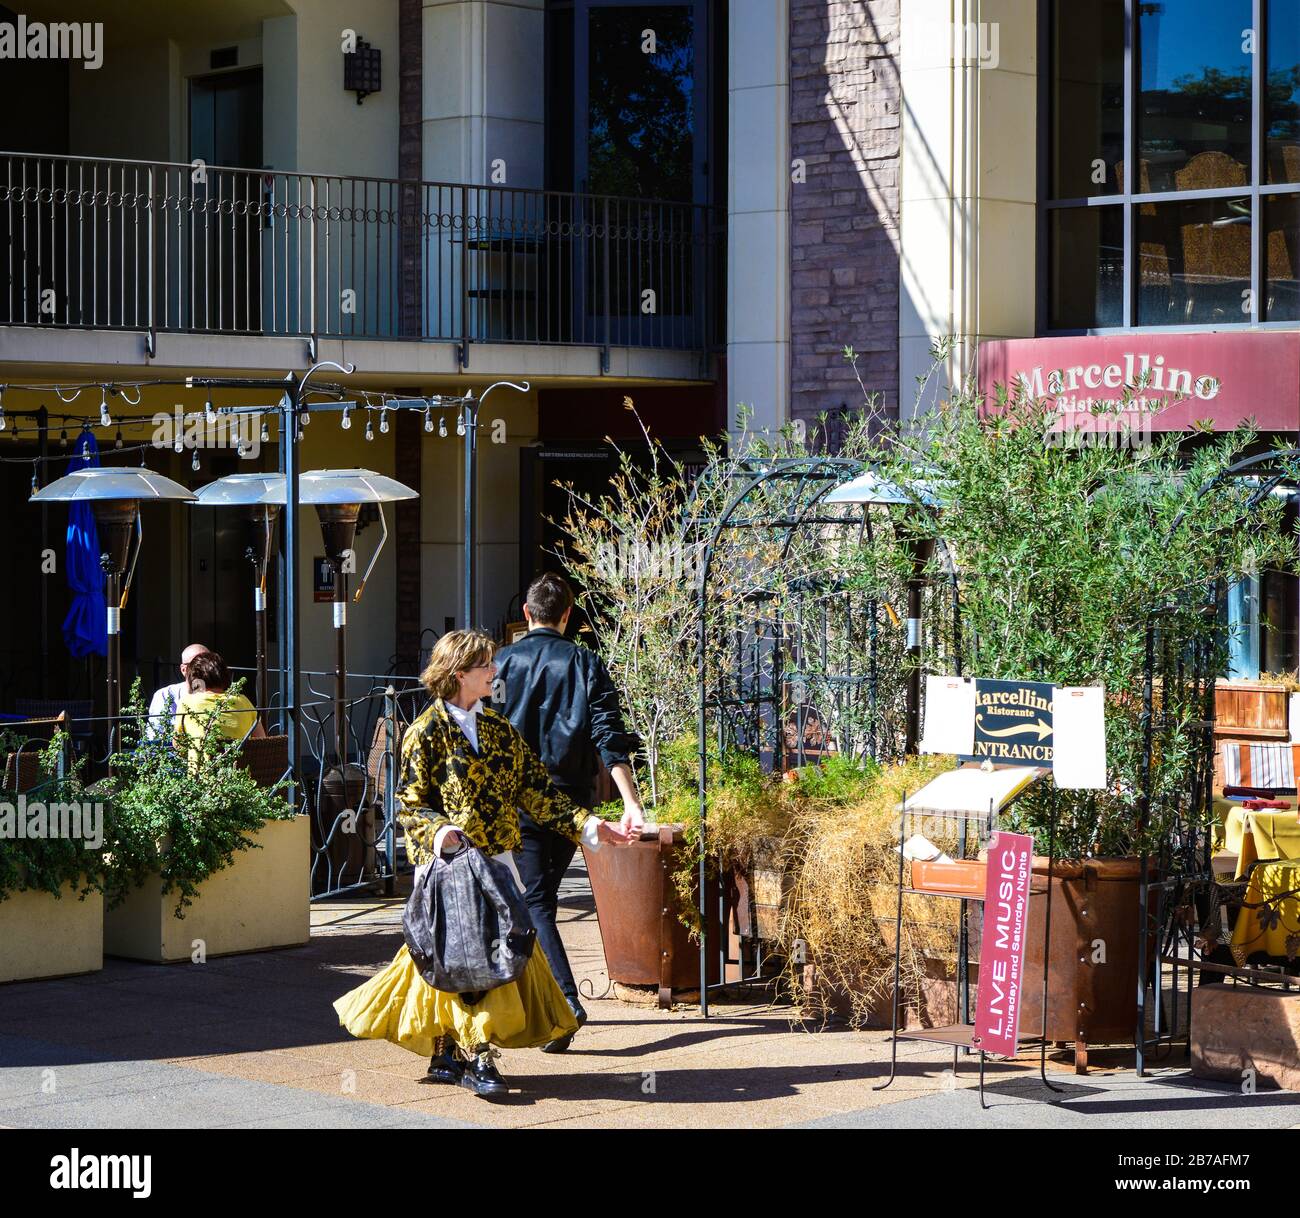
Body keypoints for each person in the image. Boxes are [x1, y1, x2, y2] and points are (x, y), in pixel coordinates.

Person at [333, 629, 632, 1098]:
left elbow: (537, 792)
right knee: (468, 960)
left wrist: (593, 827)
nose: (495, 672)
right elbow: (409, 804)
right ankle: (478, 1056)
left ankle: (447, 1050)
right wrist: (439, 832)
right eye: (486, 666)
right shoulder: (425, 733)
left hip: (496, 864)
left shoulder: (499, 729)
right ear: (459, 675)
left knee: (464, 958)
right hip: (450, 868)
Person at [492, 571, 645, 1052]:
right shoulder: (585, 663)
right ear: (567, 615)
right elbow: (609, 736)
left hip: (520, 797)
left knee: (535, 903)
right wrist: (631, 801)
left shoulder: (501, 662)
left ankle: (564, 1003)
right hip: (571, 799)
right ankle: (550, 1001)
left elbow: (485, 732)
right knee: (540, 900)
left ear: (526, 614)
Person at [174, 651, 265, 754]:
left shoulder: (187, 703)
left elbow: (179, 745)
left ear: (195, 681)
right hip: (241, 768)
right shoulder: (243, 701)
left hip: (203, 768)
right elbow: (261, 741)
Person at [146, 643, 209, 738]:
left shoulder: (222, 696)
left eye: (208, 663)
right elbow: (155, 738)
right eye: (196, 664)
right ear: (184, 669)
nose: (204, 668)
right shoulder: (165, 695)